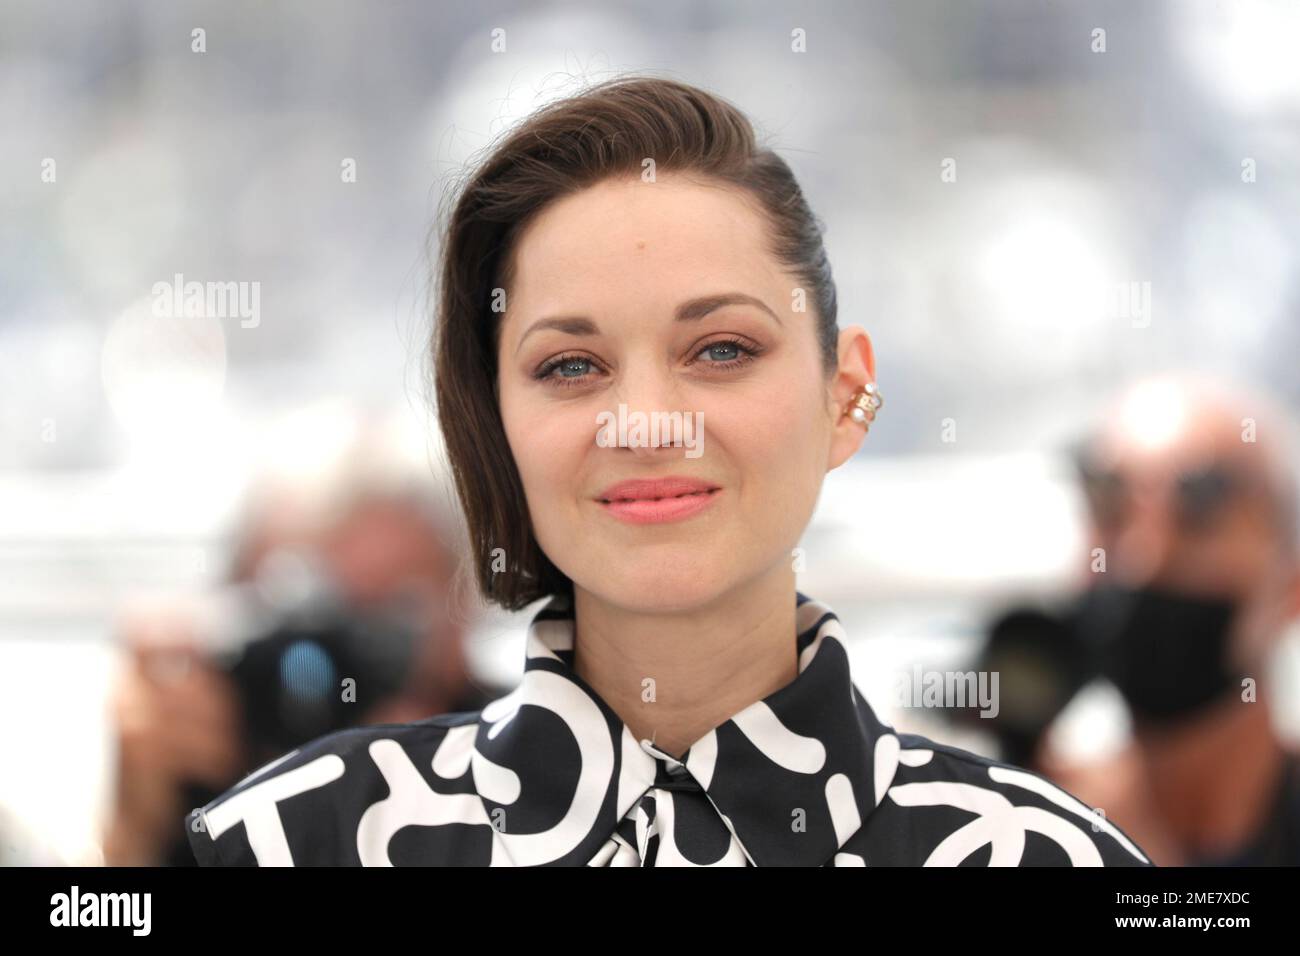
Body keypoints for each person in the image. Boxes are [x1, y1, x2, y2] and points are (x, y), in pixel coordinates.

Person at [185, 74, 1152, 866]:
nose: (647, 425)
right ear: (495, 424)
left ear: (844, 395)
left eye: (722, 349)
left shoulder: (1051, 859)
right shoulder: (285, 844)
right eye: (571, 366)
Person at [104, 419, 500, 866]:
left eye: (391, 626)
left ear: (463, 612)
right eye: (307, 621)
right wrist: (134, 833)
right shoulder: (205, 764)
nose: (342, 672)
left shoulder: (527, 759)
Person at [1040, 375, 1300, 865]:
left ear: (1291, 589)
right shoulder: (1021, 828)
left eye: (1199, 513)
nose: (1143, 560)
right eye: (1110, 507)